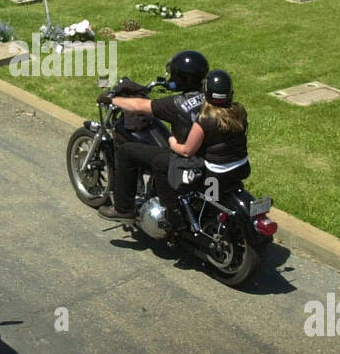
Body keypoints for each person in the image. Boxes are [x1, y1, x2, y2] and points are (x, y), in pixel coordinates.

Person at [97, 50, 209, 222]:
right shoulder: (211, 99)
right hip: (206, 156)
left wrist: (113, 100)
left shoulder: (175, 105)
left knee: (126, 152)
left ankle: (123, 209)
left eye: (175, 75)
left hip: (184, 159)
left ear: (182, 78)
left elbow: (139, 105)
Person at [164, 69, 251, 228]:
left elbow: (187, 151)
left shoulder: (204, 120)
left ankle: (186, 216)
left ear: (206, 93)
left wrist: (172, 142)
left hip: (215, 175)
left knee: (178, 170)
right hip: (242, 167)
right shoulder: (240, 111)